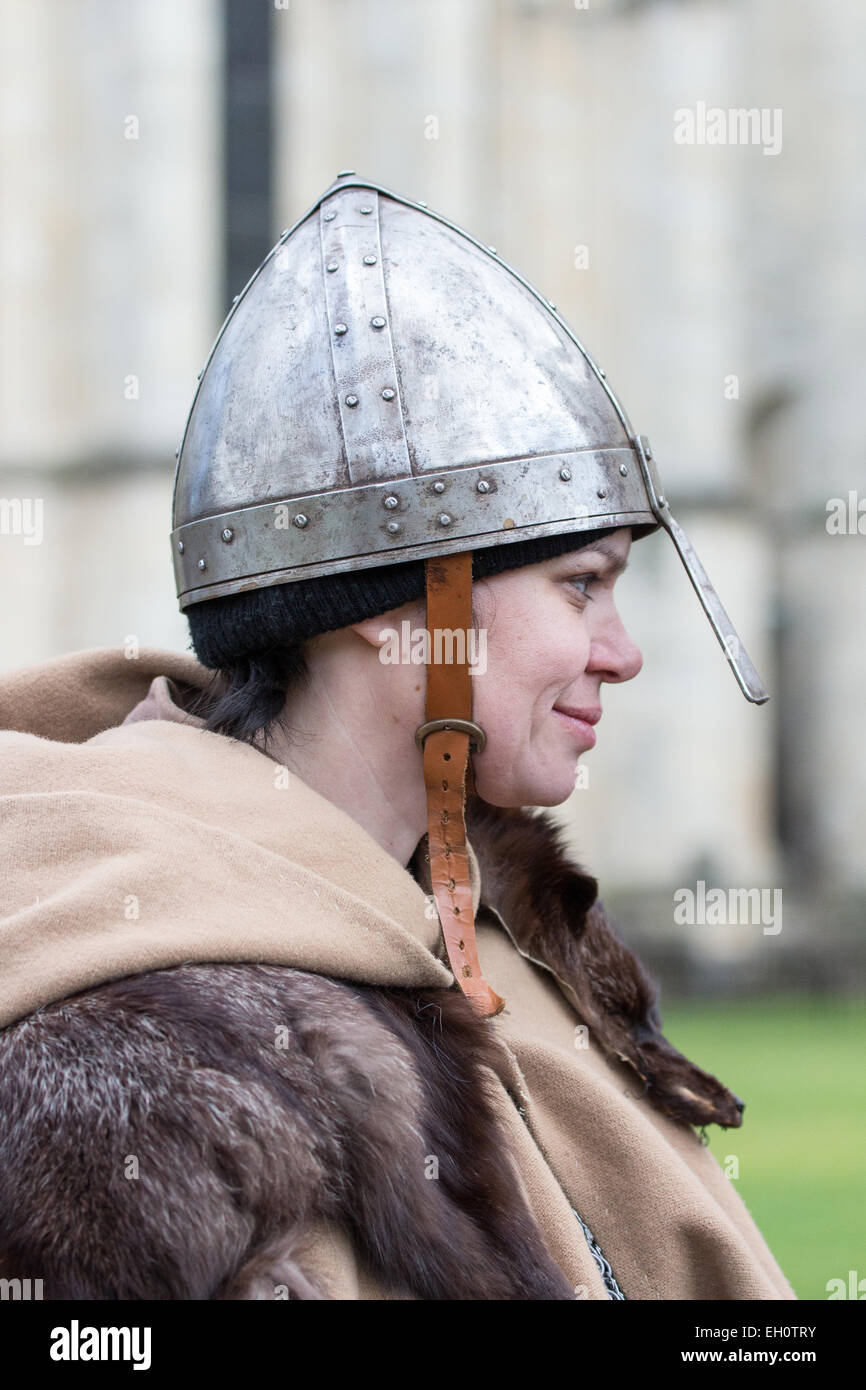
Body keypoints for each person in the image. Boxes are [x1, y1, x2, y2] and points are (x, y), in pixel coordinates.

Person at [0, 172, 796, 1301]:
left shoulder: (497, 951)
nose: (620, 652)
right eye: (579, 587)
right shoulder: (142, 1052)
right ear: (394, 609)